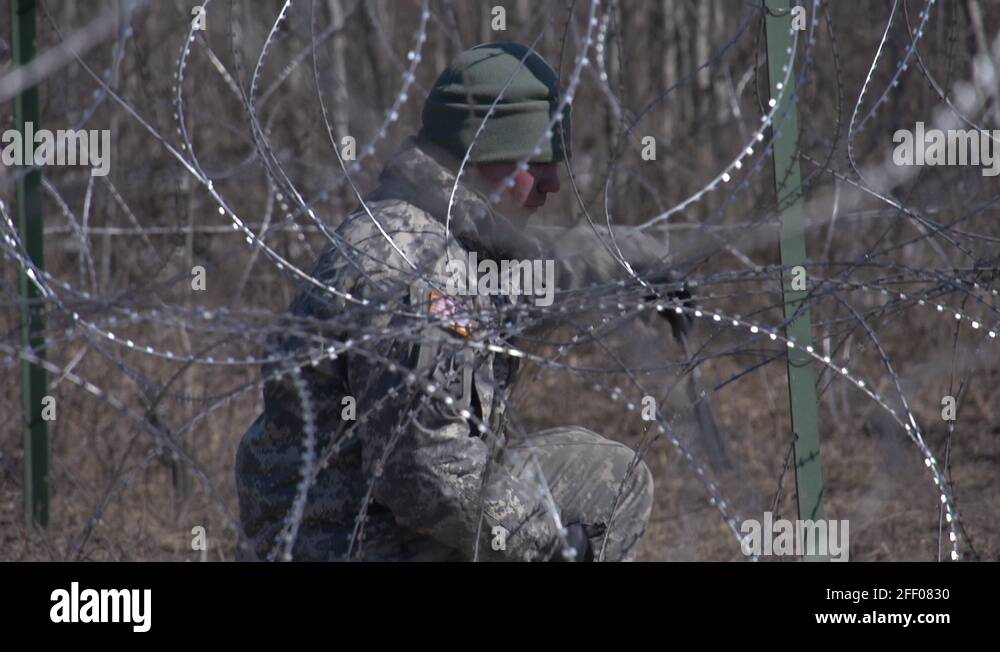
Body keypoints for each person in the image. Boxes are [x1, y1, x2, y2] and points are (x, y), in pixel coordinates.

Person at [235, 42, 688, 562]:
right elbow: (426, 476)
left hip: (361, 524)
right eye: (537, 162)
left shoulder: (445, 231)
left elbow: (539, 276)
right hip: (352, 544)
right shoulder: (415, 265)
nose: (553, 185)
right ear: (484, 155)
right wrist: (548, 543)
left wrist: (636, 262)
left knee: (606, 473)